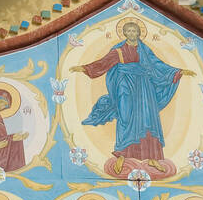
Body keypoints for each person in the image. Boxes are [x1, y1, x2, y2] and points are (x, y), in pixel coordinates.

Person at [73, 19, 194, 176]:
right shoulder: (119, 50)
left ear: (138, 33)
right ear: (124, 33)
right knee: (126, 117)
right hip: (126, 86)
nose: (131, 33)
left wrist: (178, 72)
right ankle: (122, 155)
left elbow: (157, 64)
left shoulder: (145, 50)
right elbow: (104, 62)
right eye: (128, 31)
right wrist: (85, 68)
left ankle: (153, 157)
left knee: (148, 118)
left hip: (144, 88)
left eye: (134, 31)